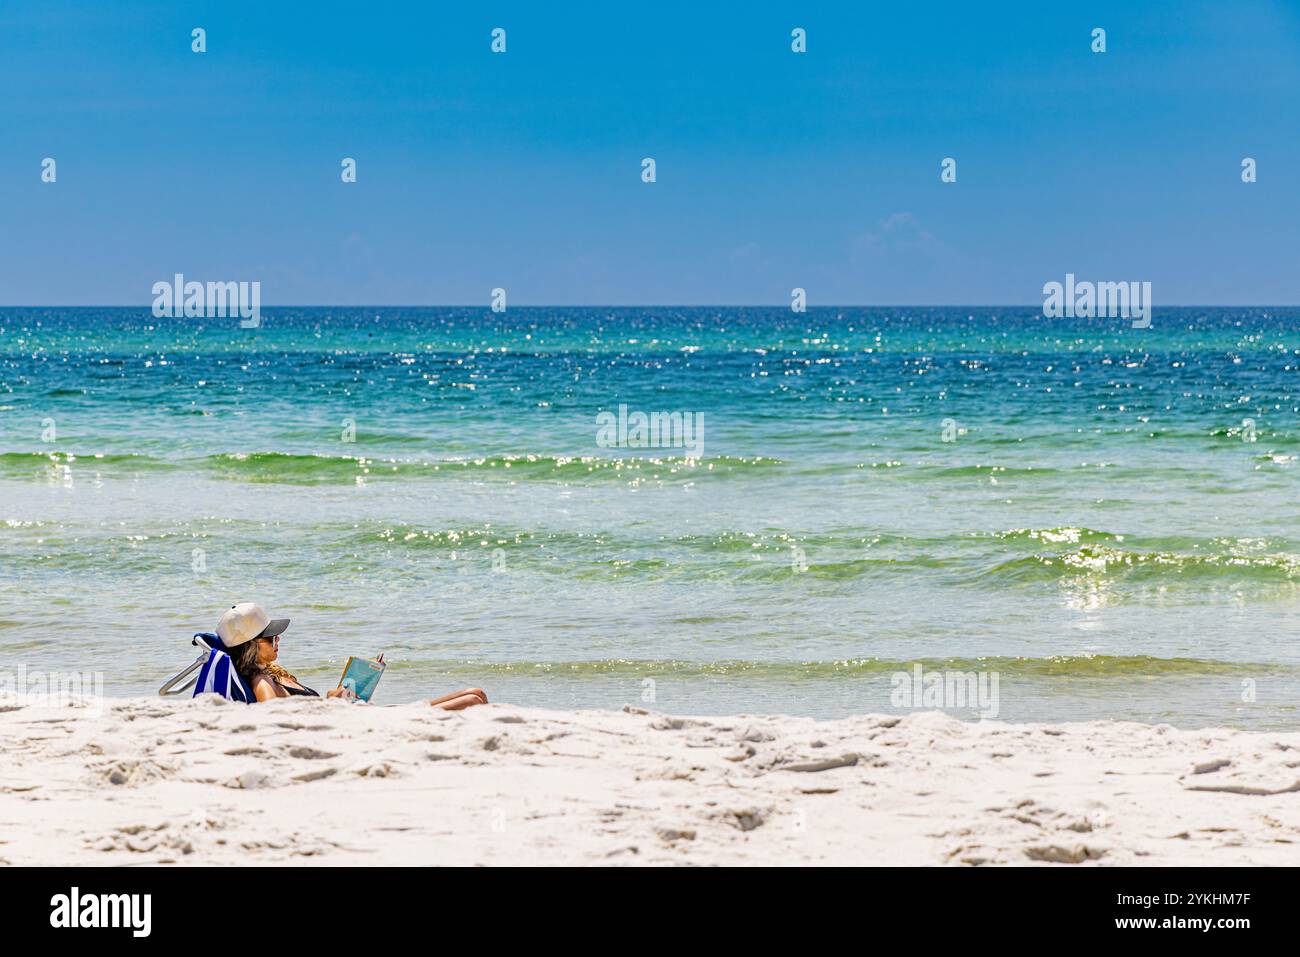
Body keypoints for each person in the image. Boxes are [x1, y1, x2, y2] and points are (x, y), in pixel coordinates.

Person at [216, 603, 487, 710]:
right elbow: (275, 717)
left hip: (354, 714)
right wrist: (330, 705)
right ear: (251, 645)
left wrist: (339, 694)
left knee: (476, 692)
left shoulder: (275, 673)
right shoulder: (262, 681)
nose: (278, 640)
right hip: (360, 723)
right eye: (271, 637)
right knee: (473, 700)